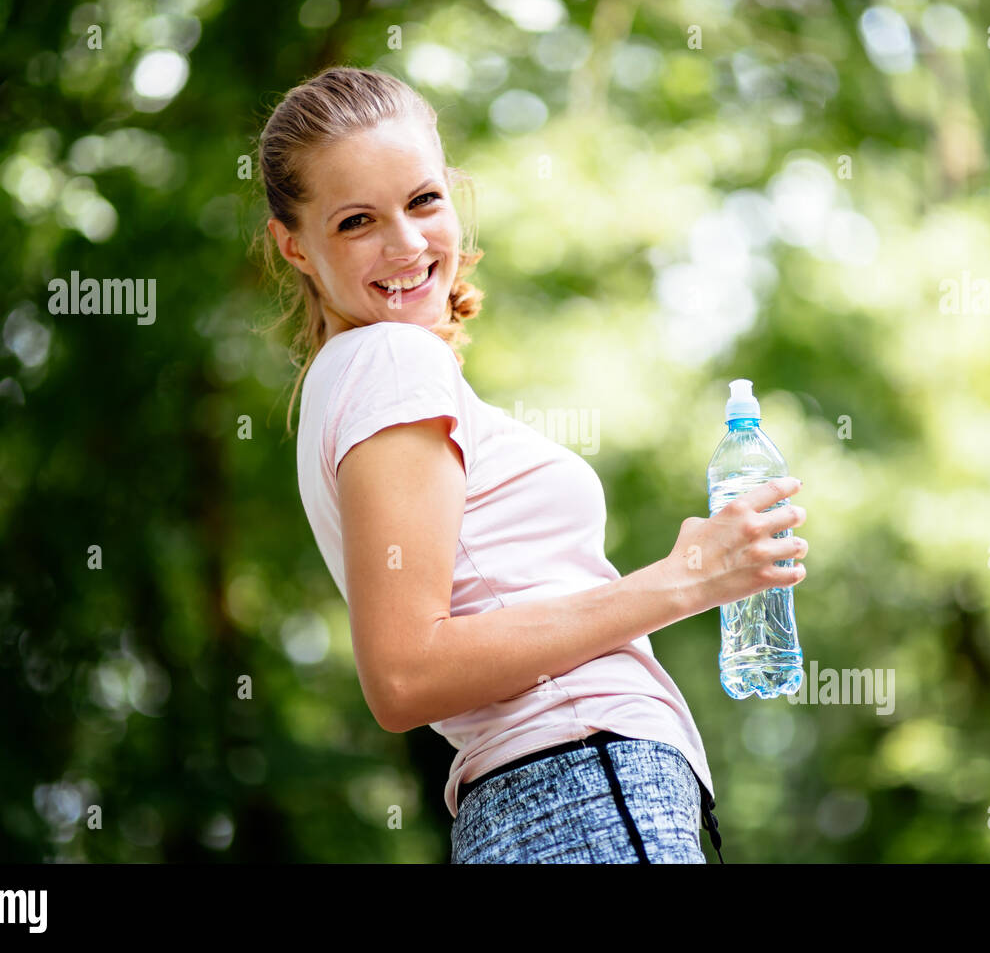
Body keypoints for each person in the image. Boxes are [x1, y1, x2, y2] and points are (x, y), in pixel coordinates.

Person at [256, 65, 808, 863]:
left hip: (558, 795)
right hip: (579, 781)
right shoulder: (392, 363)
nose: (406, 244)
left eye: (423, 201)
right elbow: (405, 674)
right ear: (294, 246)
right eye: (355, 221)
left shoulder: (359, 375)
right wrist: (686, 579)